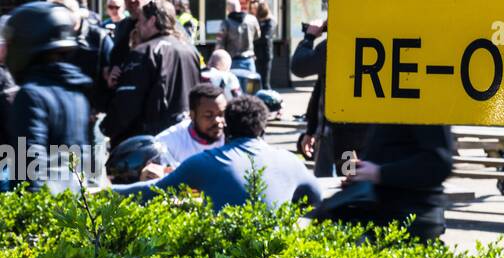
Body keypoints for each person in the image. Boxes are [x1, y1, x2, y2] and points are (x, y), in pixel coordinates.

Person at [114, 94, 322, 211]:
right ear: (263, 128)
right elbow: (317, 197)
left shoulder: (205, 163)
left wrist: (103, 192)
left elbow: (151, 192)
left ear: (227, 128)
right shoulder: (289, 161)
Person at [1, 2, 93, 191]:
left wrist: (28, 216)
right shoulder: (76, 92)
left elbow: (28, 174)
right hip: (71, 206)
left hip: (44, 211)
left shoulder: (31, 95)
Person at [323, 123, 456, 240]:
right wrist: (363, 174)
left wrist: (378, 173)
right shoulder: (387, 104)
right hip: (387, 210)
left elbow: (439, 163)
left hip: (410, 216)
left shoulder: (421, 102)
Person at [104, 0, 202, 145]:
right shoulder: (190, 51)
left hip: (153, 141)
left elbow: (127, 103)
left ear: (152, 20)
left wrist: (108, 127)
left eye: (141, 20)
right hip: (186, 138)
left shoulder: (144, 51)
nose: (137, 25)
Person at [294, 18, 367, 177]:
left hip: (340, 134)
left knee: (336, 183)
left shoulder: (335, 45)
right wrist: (311, 129)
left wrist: (309, 37)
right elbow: (320, 88)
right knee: (348, 182)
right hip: (349, 134)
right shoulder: (369, 40)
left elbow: (299, 66)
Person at [46, 0, 112, 114]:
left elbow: (111, 78)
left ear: (73, 13)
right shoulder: (50, 38)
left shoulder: (99, 38)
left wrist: (99, 108)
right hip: (59, 112)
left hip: (92, 113)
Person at [155, 82, 226, 165]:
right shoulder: (166, 142)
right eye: (208, 115)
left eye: (221, 114)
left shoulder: (234, 137)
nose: (217, 120)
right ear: (192, 115)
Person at [106, 0, 152, 84]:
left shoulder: (162, 22)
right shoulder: (123, 25)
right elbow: (116, 56)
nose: (132, 0)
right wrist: (113, 70)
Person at [215, 0, 260, 74]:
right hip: (249, 60)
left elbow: (220, 43)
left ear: (228, 8)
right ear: (239, 7)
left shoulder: (226, 23)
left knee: (234, 85)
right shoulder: (252, 19)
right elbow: (258, 35)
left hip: (232, 61)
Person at [250, 0, 275, 89]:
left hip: (265, 54)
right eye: (252, 8)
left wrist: (252, 39)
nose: (253, 10)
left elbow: (265, 37)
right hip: (253, 53)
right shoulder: (252, 19)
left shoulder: (270, 21)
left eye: (255, 8)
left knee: (264, 82)